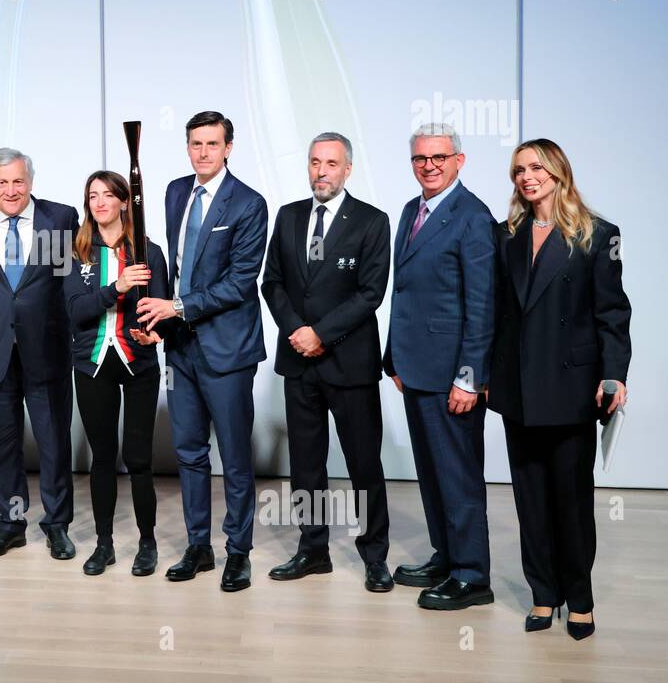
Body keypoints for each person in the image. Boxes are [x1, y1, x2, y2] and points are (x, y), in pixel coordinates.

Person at [488, 139, 630, 640]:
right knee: (530, 501)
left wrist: (615, 374)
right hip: (518, 389)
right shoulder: (505, 235)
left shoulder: (597, 234)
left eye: (536, 167)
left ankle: (581, 597)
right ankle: (544, 594)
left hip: (572, 387)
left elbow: (612, 313)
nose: (527, 177)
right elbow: (497, 313)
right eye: (519, 170)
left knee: (571, 500)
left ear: (558, 172)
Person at [136, 111, 268, 592]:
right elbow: (174, 264)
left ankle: (238, 552)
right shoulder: (175, 192)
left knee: (234, 457)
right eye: (196, 144)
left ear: (229, 148)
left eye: (213, 144)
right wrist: (158, 321)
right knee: (189, 452)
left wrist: (176, 306)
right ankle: (199, 546)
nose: (204, 152)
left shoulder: (249, 204)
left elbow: (239, 282)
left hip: (227, 348)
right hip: (182, 347)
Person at [261, 133, 393, 591]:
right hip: (299, 361)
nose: (321, 171)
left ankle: (375, 555)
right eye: (315, 162)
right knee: (306, 464)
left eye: (331, 163)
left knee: (363, 464)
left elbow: (371, 293)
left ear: (347, 169)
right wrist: (298, 330)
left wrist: (322, 333)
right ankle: (313, 549)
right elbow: (271, 282)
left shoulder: (373, 222)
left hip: (349, 363)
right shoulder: (289, 215)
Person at [384, 123, 496, 610]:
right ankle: (446, 556)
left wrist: (469, 377)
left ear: (459, 161)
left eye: (438, 157)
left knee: (458, 474)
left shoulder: (474, 217)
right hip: (416, 368)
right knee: (431, 472)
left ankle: (472, 576)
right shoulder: (412, 209)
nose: (428, 165)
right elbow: (405, 292)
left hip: (453, 375)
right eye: (419, 159)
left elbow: (483, 305)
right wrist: (394, 357)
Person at [0, 148, 80, 560]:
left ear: (31, 182)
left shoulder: (59, 219)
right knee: (4, 446)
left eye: (18, 181)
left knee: (53, 443)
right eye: (2, 182)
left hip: (47, 349)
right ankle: (11, 526)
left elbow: (75, 277)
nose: (11, 190)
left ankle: (57, 526)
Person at [63, 171, 169, 576]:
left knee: (139, 457)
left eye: (109, 195)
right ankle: (104, 543)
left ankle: (147, 542)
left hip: (137, 361)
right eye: (93, 195)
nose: (100, 202)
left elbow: (163, 306)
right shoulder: (77, 251)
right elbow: (75, 312)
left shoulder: (148, 251)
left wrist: (156, 332)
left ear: (126, 201)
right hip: (92, 364)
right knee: (102, 457)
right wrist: (118, 286)